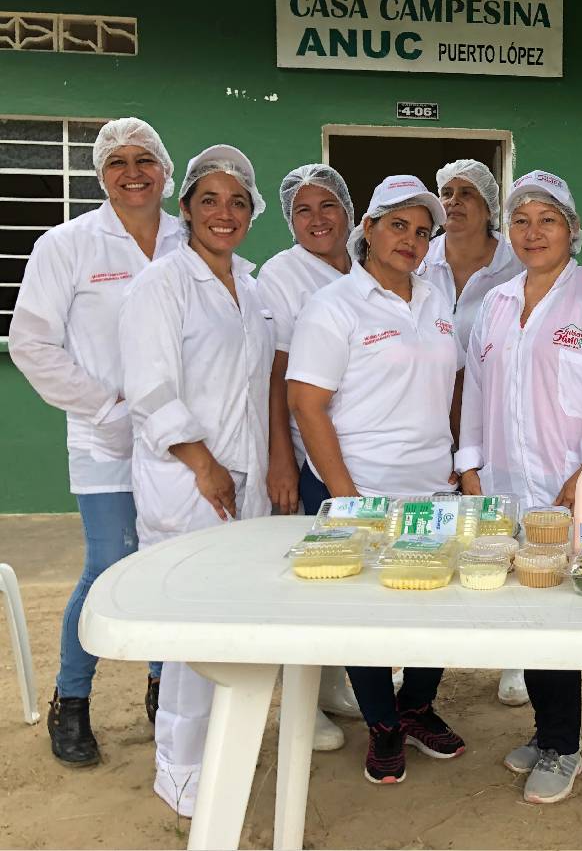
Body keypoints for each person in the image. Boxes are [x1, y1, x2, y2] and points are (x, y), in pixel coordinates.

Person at [457, 169, 582, 803]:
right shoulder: (495, 303)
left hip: (574, 488)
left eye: (547, 220)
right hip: (507, 483)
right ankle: (547, 732)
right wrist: (469, 462)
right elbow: (476, 388)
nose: (533, 232)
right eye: (521, 220)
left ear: (572, 229)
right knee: (527, 610)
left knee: (559, 616)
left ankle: (564, 747)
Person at [9, 117, 181, 766]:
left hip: (181, 440)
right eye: (117, 162)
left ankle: (165, 688)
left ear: (165, 170)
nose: (133, 172)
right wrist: (106, 407)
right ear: (100, 175)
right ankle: (73, 698)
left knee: (169, 562)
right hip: (104, 437)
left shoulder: (189, 239)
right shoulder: (67, 245)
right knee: (111, 561)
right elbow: (30, 343)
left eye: (145, 159)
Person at [287, 175, 466, 786]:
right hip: (359, 485)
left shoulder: (437, 300)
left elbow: (452, 384)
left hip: (431, 485)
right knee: (363, 613)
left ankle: (415, 707)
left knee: (435, 603)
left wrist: (456, 455)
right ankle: (383, 723)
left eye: (422, 231)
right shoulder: (334, 305)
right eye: (398, 226)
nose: (411, 240)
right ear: (368, 229)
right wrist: (345, 495)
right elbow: (306, 402)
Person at [118, 144, 273, 816]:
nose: (224, 212)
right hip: (190, 483)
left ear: (252, 212)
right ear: (184, 208)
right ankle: (180, 772)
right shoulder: (162, 283)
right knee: (191, 630)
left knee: (232, 622)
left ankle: (222, 752)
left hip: (245, 482)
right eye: (209, 199)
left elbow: (256, 388)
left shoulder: (253, 287)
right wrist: (205, 465)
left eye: (237, 201)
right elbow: (150, 387)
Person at [256, 163, 358, 751]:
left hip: (358, 448)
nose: (317, 219)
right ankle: (301, 704)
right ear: (289, 220)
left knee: (344, 574)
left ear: (349, 211)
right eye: (302, 210)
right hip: (306, 453)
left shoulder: (363, 264)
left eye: (327, 206)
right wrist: (280, 459)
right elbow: (277, 377)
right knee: (307, 579)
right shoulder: (281, 274)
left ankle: (333, 686)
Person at [424, 158, 527, 707]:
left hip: (499, 422)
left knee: (506, 532)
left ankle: (516, 657)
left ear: (489, 207)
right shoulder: (421, 260)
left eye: (467, 193)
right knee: (437, 540)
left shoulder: (516, 262)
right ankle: (422, 663)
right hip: (425, 421)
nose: (454, 202)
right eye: (446, 192)